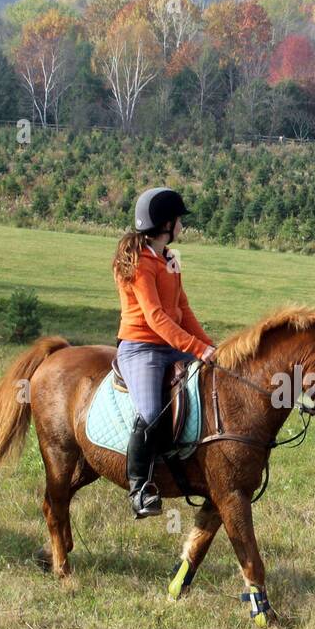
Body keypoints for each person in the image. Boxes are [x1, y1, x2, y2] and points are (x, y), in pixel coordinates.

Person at [112, 188, 217, 518]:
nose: (182, 225)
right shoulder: (140, 263)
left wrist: (211, 347)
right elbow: (156, 317)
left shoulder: (169, 258)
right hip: (141, 348)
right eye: (179, 220)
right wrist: (196, 347)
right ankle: (139, 489)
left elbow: (182, 309)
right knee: (153, 411)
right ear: (166, 223)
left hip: (172, 346)